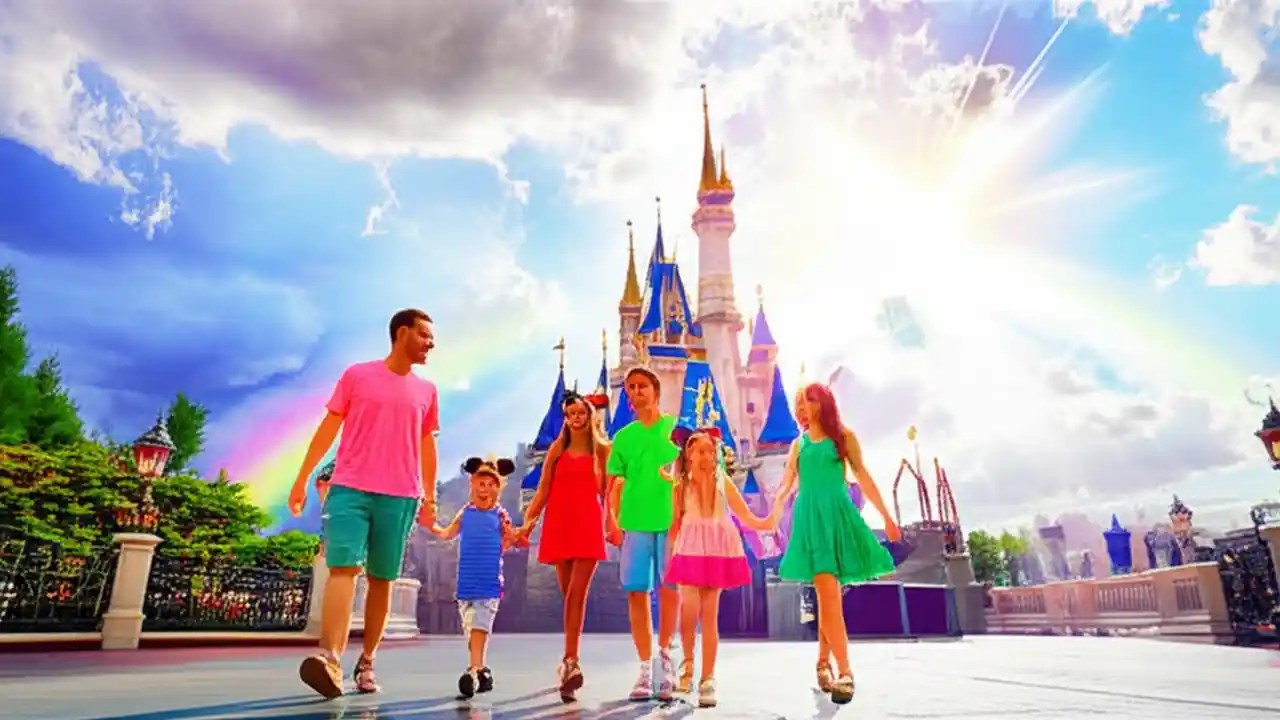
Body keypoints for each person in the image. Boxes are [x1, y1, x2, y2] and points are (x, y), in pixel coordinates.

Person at [287, 308, 440, 699]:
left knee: (382, 579)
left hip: (402, 494)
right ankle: (330, 659)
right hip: (350, 488)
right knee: (343, 568)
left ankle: (367, 660)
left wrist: (431, 496)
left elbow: (427, 444)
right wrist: (302, 477)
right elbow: (328, 428)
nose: (430, 343)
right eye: (424, 335)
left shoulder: (427, 391)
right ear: (401, 333)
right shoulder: (357, 375)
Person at [773, 382, 901, 705]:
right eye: (798, 403)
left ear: (824, 403)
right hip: (810, 522)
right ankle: (845, 672)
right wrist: (769, 518)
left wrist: (886, 516)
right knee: (828, 595)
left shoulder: (843, 437)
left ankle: (823, 663)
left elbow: (863, 476)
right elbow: (785, 486)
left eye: (808, 401)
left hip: (838, 519)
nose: (801, 408)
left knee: (828, 596)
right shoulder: (798, 445)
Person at [665, 428, 782, 708]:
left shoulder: (723, 483)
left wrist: (773, 516)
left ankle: (707, 678)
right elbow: (673, 526)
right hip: (690, 550)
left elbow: (748, 518)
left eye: (710, 450)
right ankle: (688, 667)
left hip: (717, 550)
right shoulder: (680, 485)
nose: (705, 456)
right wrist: (672, 558)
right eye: (699, 451)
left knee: (710, 616)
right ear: (689, 455)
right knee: (689, 610)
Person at [521, 389, 611, 702]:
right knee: (568, 596)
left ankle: (571, 663)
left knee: (576, 594)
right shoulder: (556, 452)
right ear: (566, 418)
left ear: (589, 416)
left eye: (581, 413)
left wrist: (613, 521)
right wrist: (527, 524)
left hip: (587, 526)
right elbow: (542, 491)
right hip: (559, 525)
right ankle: (568, 663)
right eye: (571, 414)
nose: (576, 419)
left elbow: (611, 491)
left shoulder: (603, 451)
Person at [605, 366, 681, 701]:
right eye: (630, 387)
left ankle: (666, 659)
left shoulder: (675, 430)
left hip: (670, 521)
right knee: (637, 591)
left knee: (669, 588)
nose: (636, 393)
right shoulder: (623, 438)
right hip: (634, 521)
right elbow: (613, 484)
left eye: (642, 387)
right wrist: (611, 520)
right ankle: (645, 666)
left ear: (656, 390)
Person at [429, 456, 524, 699]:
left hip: (489, 583)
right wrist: (429, 524)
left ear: (498, 488)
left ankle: (471, 672)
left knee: (479, 628)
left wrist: (516, 536)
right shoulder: (465, 514)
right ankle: (481, 671)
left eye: (491, 484)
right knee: (472, 632)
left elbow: (508, 541)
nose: (486, 489)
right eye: (481, 484)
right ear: (472, 484)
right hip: (466, 584)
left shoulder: (500, 515)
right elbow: (447, 533)